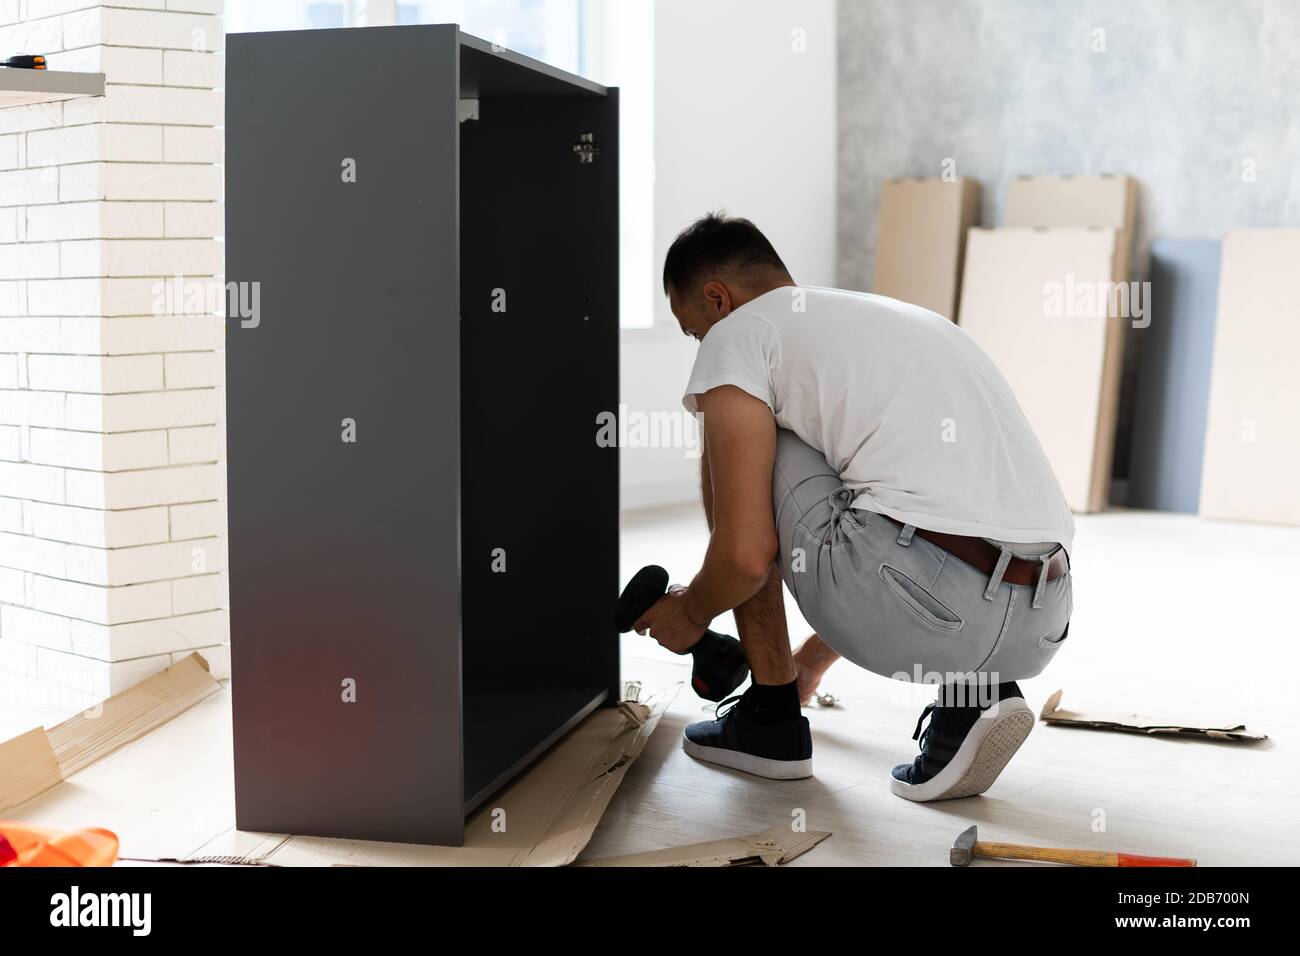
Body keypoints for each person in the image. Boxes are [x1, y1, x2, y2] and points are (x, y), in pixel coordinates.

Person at [632, 213, 1074, 801]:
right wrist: (812, 661)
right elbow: (912, 504)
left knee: (746, 445)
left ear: (717, 299)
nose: (703, 346)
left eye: (695, 332)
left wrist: (692, 612)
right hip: (1043, 619)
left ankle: (770, 719)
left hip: (922, 605)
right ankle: (972, 698)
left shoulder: (740, 336)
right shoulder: (895, 319)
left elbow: (744, 554)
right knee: (869, 471)